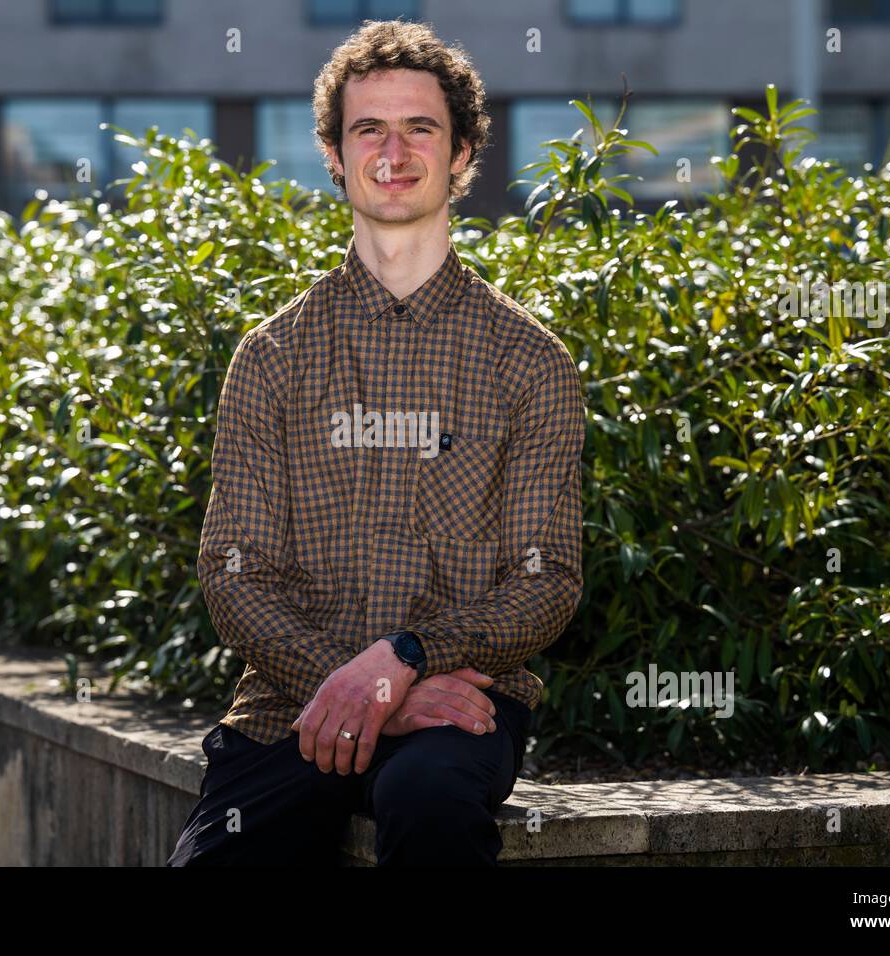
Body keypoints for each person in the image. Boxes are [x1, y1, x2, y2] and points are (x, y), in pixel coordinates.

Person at [167, 19, 585, 867]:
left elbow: (546, 582)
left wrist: (406, 658)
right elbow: (236, 573)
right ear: (333, 152)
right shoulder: (272, 356)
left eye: (420, 128)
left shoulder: (530, 361)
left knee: (428, 805)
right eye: (369, 129)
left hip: (461, 710)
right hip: (291, 707)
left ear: (463, 152)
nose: (393, 151)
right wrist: (365, 689)